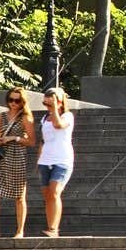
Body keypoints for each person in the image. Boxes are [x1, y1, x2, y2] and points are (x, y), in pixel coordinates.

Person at [0, 88, 34, 239]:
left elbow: (31, 141)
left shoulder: (26, 118)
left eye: (17, 100)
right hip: (2, 157)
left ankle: (20, 231)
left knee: (19, 196)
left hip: (17, 157)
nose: (13, 103)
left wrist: (14, 138)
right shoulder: (2, 116)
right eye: (11, 100)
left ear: (23, 102)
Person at [37, 87, 75, 237]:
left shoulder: (67, 116)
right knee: (47, 194)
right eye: (45, 104)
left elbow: (58, 125)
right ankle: (49, 226)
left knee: (54, 192)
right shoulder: (44, 118)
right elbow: (43, 140)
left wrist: (54, 110)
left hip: (62, 159)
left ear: (60, 102)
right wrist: (38, 160)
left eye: (51, 103)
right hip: (45, 159)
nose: (48, 107)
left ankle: (54, 228)